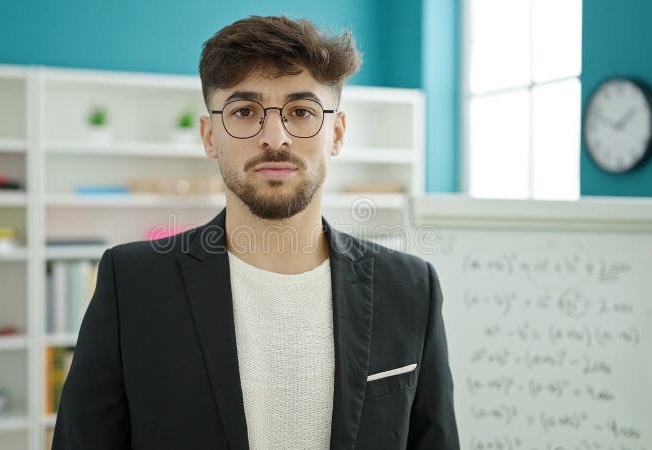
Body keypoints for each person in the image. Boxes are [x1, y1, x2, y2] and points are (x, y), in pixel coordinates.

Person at [51, 15, 458, 450]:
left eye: (301, 112)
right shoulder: (131, 284)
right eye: (245, 112)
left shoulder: (411, 288)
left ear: (336, 134)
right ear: (209, 136)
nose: (275, 137)